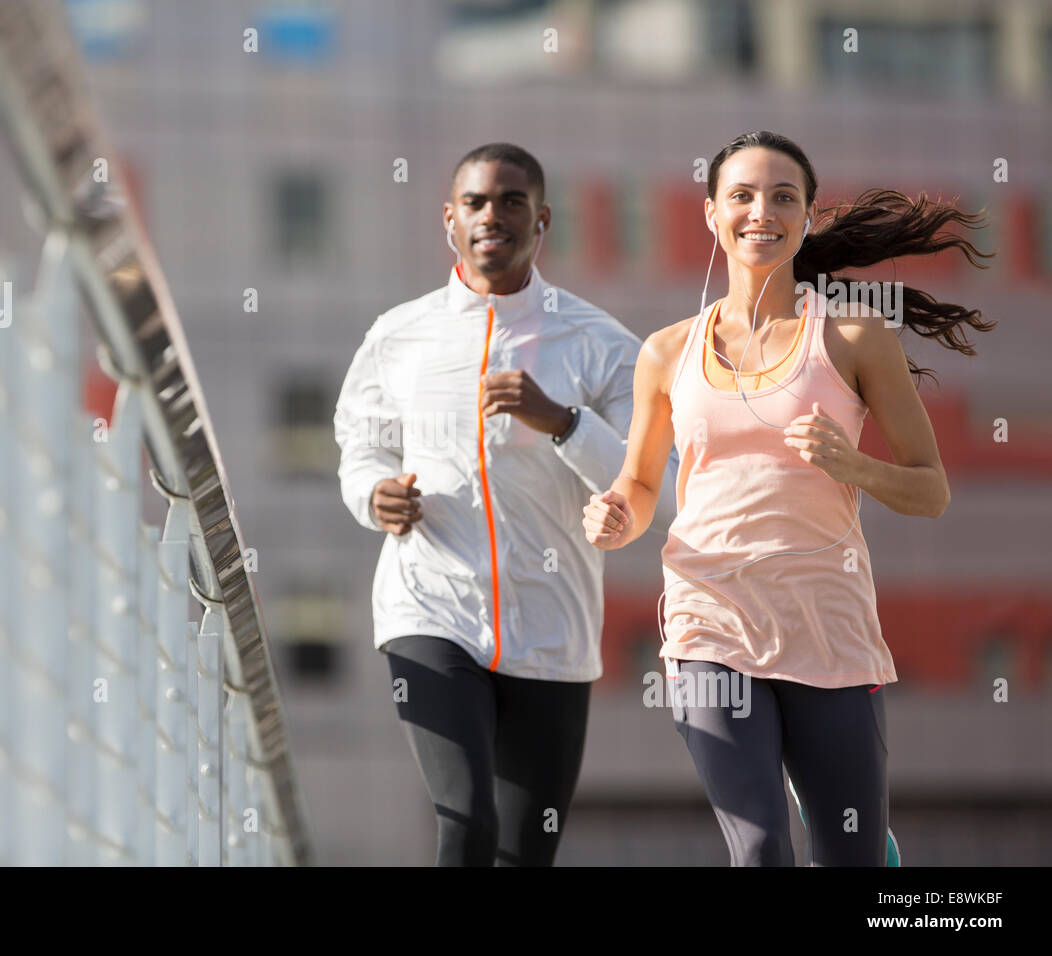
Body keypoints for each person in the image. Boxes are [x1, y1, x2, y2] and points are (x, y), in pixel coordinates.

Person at [583, 130, 994, 866]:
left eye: (782, 197)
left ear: (807, 217)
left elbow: (930, 490)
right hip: (710, 626)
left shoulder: (855, 338)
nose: (760, 211)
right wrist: (617, 512)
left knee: (850, 859)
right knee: (762, 849)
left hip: (828, 633)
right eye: (740, 195)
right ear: (711, 213)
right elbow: (642, 483)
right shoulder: (666, 352)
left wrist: (854, 466)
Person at [334, 143, 679, 866]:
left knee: (527, 852)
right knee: (465, 820)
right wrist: (375, 496)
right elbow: (360, 448)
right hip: (429, 608)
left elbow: (663, 477)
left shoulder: (599, 343)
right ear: (449, 221)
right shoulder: (399, 336)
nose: (493, 216)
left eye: (512, 202)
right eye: (476, 203)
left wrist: (565, 423)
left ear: (542, 220)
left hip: (551, 629)